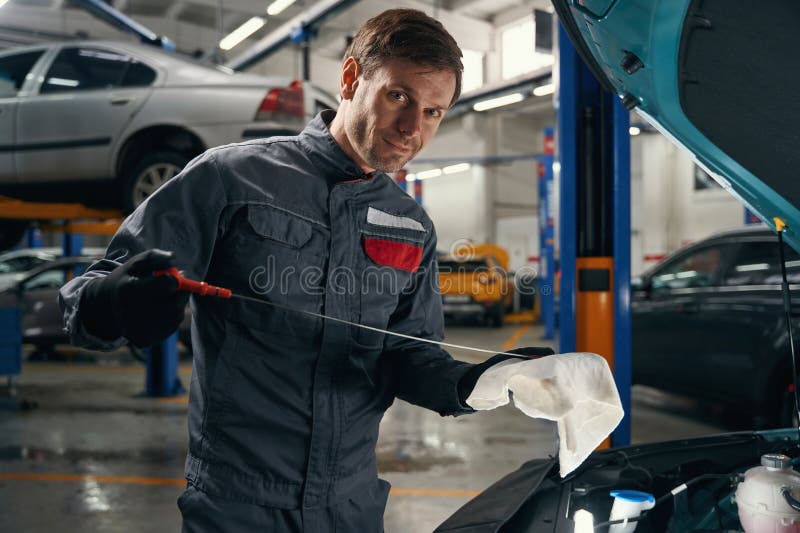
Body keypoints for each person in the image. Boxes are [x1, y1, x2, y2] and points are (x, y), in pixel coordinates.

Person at [59, 8, 551, 532]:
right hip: (238, 508)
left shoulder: (411, 225)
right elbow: (84, 294)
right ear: (349, 78)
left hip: (352, 507)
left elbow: (409, 355)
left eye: (433, 112)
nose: (412, 128)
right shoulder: (231, 178)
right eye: (398, 96)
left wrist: (484, 380)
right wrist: (113, 303)